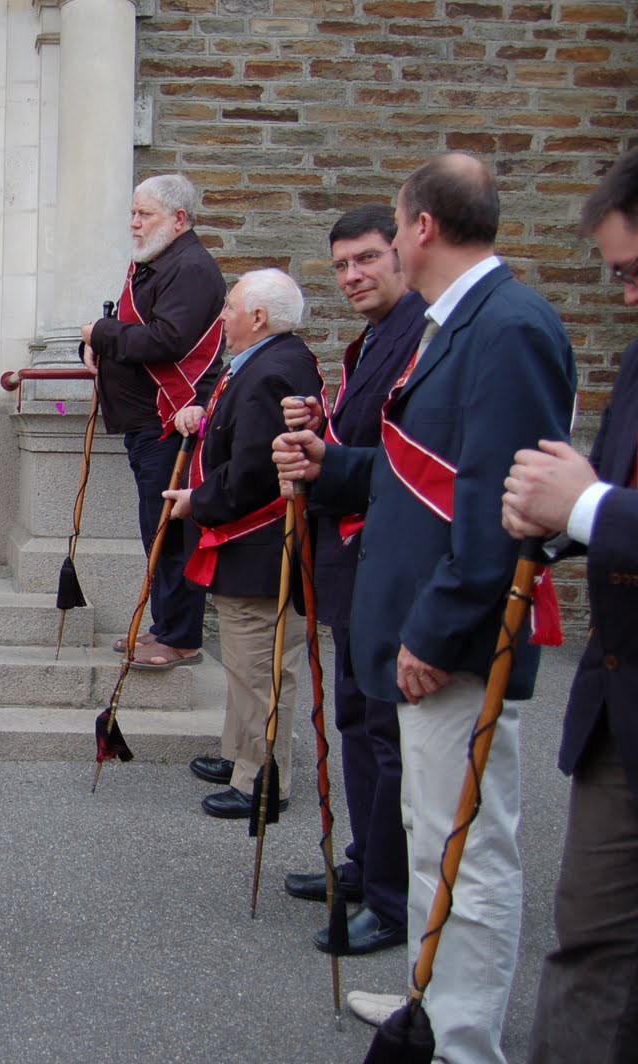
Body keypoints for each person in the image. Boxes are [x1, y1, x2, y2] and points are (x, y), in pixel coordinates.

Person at [274, 153, 576, 1062]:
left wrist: (435, 634)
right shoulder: (457, 324)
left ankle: (464, 1043)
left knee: (468, 851)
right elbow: (417, 478)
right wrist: (336, 468)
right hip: (415, 626)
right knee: (428, 833)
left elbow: (499, 505)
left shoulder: (508, 326)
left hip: (454, 643)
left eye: (393, 229)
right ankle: (431, 1001)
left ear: (421, 228)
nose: (388, 247)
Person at [510, 147, 638, 1064]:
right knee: (591, 942)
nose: (624, 297)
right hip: (619, 711)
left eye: (633, 274)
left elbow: (604, 495)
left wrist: (586, 505)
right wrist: (561, 523)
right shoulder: (636, 359)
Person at [275, 204, 423, 957]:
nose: (352, 276)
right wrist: (319, 419)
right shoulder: (370, 342)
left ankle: (393, 899)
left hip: (386, 560)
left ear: (404, 251)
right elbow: (359, 435)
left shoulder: (422, 335)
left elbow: (405, 463)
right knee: (356, 726)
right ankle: (365, 864)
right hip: (348, 555)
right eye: (340, 265)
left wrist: (327, 455)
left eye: (367, 258)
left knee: (383, 734)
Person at [163, 269, 321, 820]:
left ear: (258, 318)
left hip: (261, 546)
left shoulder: (272, 371)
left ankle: (263, 780)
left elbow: (255, 469)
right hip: (251, 547)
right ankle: (240, 755)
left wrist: (197, 502)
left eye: (229, 307)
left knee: (262, 665)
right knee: (243, 661)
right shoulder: (265, 361)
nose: (222, 316)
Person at [81, 173, 224, 672]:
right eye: (134, 213)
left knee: (170, 534)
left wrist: (99, 332)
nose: (135, 223)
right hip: (147, 421)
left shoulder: (192, 268)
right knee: (156, 531)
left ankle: (180, 638)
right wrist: (94, 342)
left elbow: (164, 340)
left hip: (170, 419)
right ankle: (166, 627)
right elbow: (131, 325)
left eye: (146, 214)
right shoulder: (156, 263)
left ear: (179, 219)